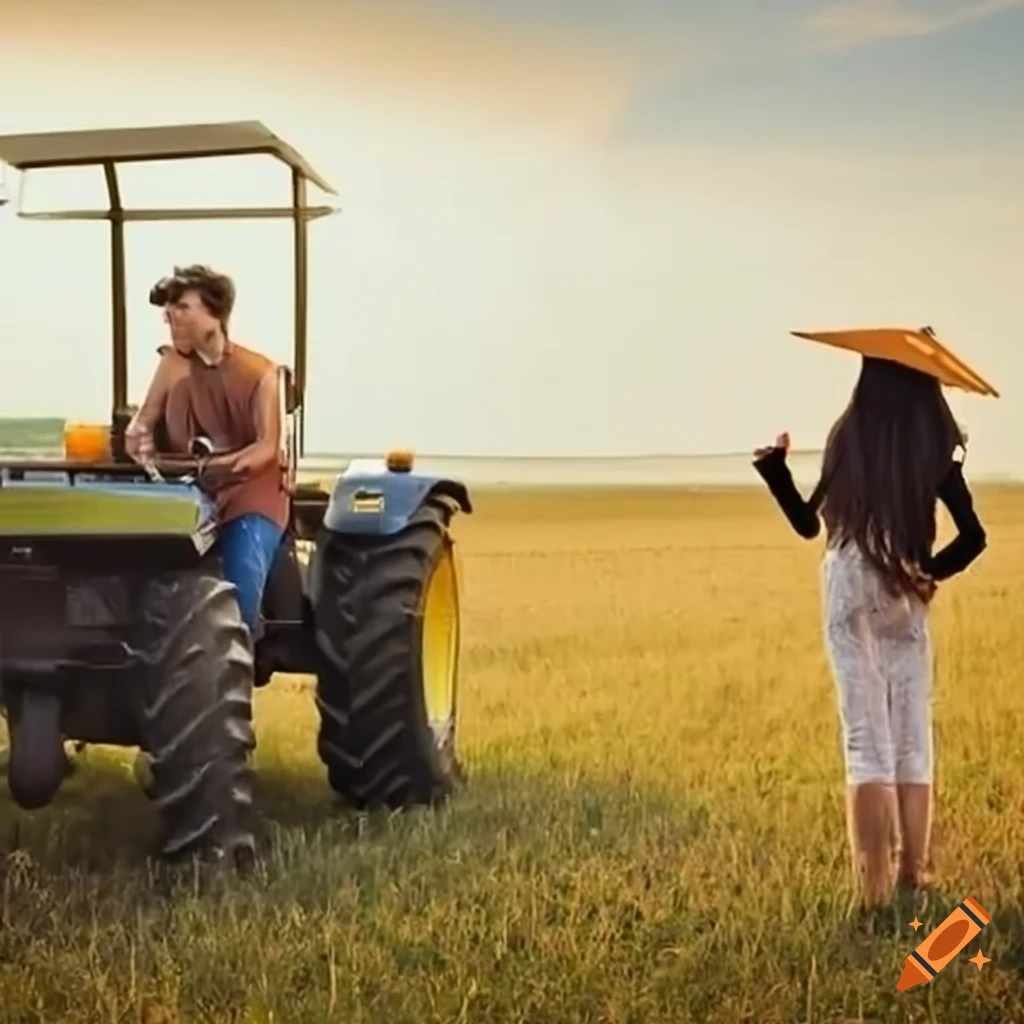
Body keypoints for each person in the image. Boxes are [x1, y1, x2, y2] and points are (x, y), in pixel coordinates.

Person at [753, 352, 988, 910]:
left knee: (867, 743)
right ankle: (913, 873)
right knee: (911, 735)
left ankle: (875, 892)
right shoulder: (933, 447)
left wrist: (775, 469)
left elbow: (810, 523)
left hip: (850, 583)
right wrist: (926, 571)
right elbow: (974, 536)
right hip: (905, 588)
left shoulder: (848, 436)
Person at [125, 264, 288, 638]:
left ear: (214, 315)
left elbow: (266, 449)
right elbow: (143, 423)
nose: (170, 316)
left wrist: (217, 467)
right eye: (168, 309)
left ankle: (237, 655)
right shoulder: (173, 365)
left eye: (182, 307)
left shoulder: (261, 374)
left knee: (238, 590)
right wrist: (141, 441)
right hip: (183, 492)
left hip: (248, 495)